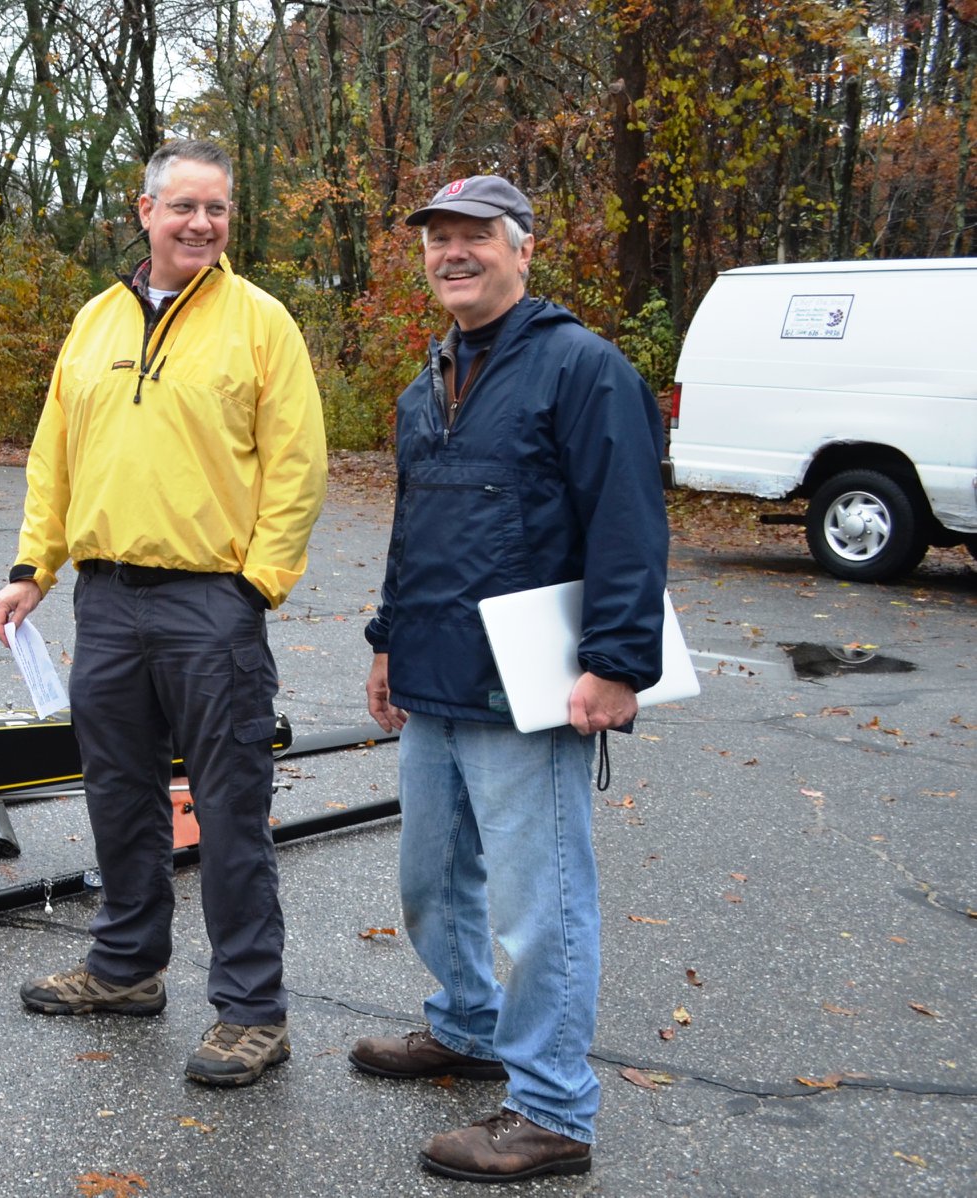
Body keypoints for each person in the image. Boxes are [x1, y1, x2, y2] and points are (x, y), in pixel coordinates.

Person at [350, 175, 669, 1182]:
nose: (453, 252)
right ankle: (467, 1026)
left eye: (475, 235)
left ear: (522, 249)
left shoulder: (583, 368)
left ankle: (553, 1110)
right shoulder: (428, 381)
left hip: (530, 693)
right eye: (438, 238)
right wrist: (387, 641)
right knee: (431, 884)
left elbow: (629, 524)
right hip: (435, 679)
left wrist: (616, 664)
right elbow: (414, 531)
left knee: (542, 910)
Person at [0, 139, 328, 1088]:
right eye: (183, 206)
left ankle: (252, 1012)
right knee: (118, 795)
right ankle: (125, 967)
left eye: (216, 208)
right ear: (145, 211)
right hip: (105, 603)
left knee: (229, 810)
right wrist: (33, 567)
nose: (201, 224)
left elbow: (298, 467)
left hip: (210, 604)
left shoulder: (261, 324)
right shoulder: (94, 321)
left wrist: (255, 586)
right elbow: (55, 455)